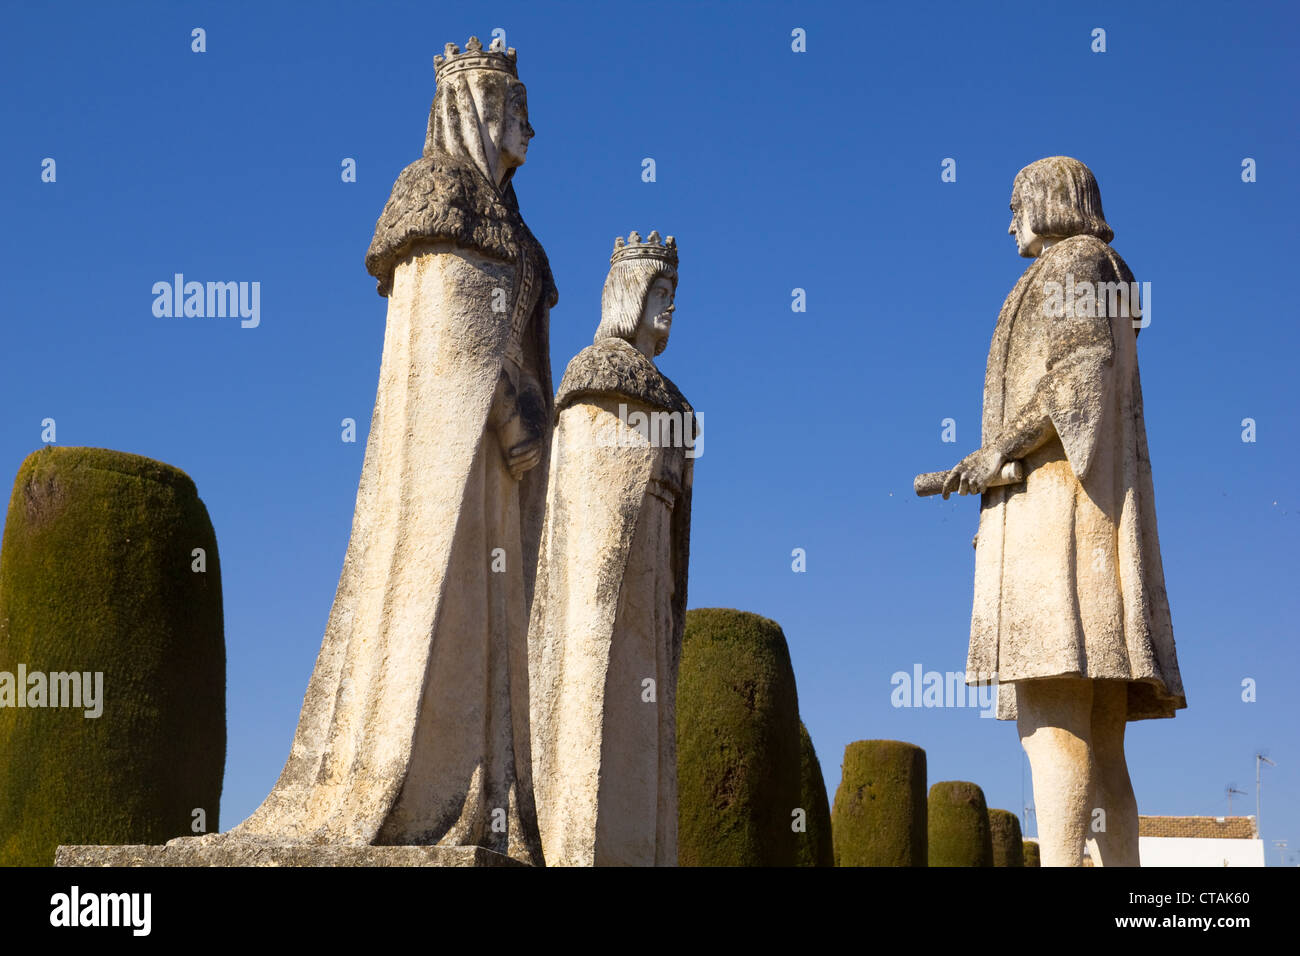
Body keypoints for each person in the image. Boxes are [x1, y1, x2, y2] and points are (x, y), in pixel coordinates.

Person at [222, 36, 556, 863]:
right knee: (434, 617)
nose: (531, 127)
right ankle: (418, 803)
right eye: (517, 110)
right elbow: (450, 331)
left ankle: (485, 805)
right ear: (477, 107)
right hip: (452, 458)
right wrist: (517, 413)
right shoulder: (435, 191)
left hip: (499, 479)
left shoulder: (518, 229)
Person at [943, 157, 1184, 867]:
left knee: (1053, 723)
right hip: (1089, 516)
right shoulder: (1103, 269)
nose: (1009, 220)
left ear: (1049, 201)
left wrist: (1000, 450)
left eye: (1016, 202)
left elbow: (1079, 379)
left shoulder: (1073, 264)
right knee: (1099, 739)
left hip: (1059, 523)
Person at [528, 231, 695, 866]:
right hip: (609, 564)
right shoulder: (596, 372)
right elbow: (588, 477)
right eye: (659, 290)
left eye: (674, 292)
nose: (670, 304)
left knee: (646, 719)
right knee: (598, 697)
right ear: (628, 294)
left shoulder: (673, 396)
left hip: (654, 561)